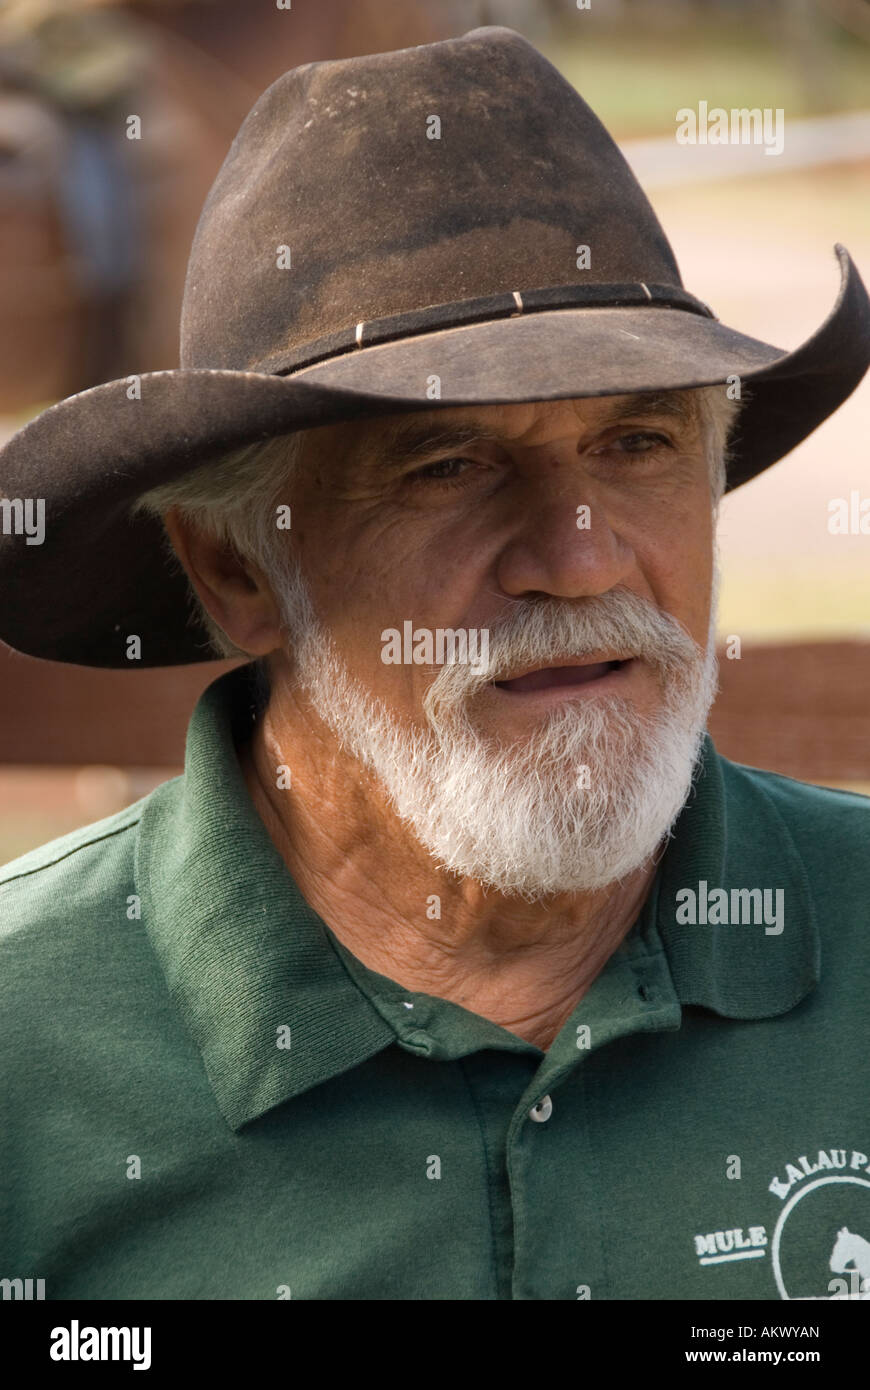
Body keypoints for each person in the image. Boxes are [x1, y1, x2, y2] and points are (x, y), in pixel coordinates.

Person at [1, 26, 869, 1302]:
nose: (578, 564)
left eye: (637, 443)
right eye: (446, 466)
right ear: (239, 569)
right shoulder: (30, 1049)